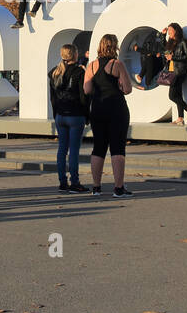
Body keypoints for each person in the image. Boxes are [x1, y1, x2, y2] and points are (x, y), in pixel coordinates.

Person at [83, 34, 133, 197]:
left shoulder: (91, 66)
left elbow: (87, 90)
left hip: (97, 108)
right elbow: (127, 89)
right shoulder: (117, 64)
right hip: (116, 109)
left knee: (98, 147)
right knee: (118, 147)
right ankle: (118, 187)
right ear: (115, 47)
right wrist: (118, 85)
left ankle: (96, 187)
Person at [49, 44, 88, 192]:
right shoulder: (79, 72)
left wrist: (55, 114)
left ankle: (62, 181)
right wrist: (87, 115)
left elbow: (52, 97)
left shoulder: (55, 72)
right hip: (75, 115)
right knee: (74, 150)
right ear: (75, 55)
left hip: (60, 115)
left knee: (62, 149)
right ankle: (75, 182)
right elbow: (83, 96)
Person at [162, 22, 187, 125]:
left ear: (176, 31)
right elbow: (165, 50)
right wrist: (163, 35)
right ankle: (180, 118)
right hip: (172, 71)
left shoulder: (183, 42)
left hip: (181, 71)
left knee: (172, 96)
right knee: (178, 95)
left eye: (170, 30)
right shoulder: (171, 42)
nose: (169, 32)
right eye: (168, 30)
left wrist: (173, 57)